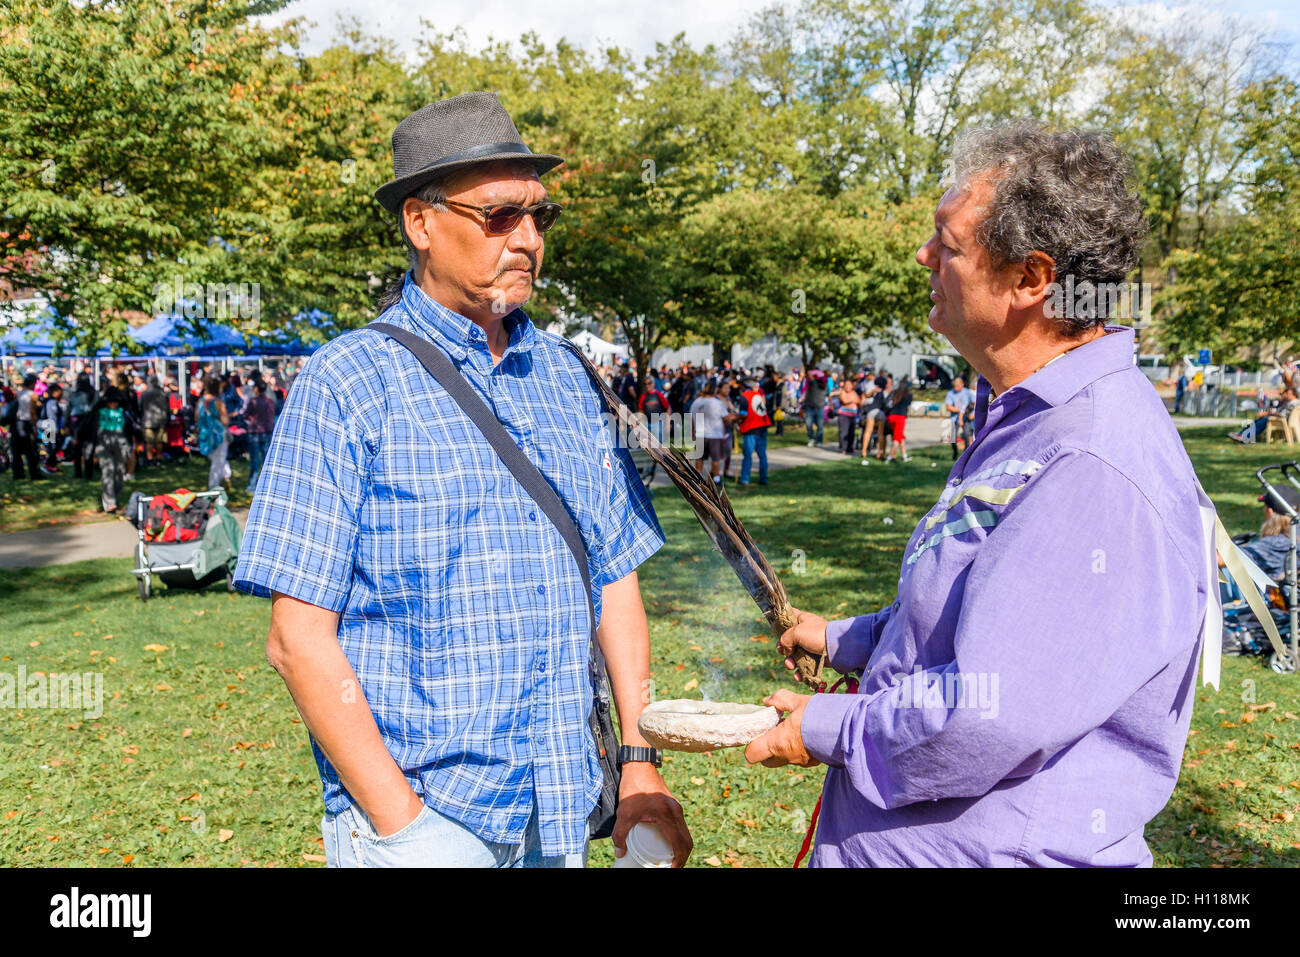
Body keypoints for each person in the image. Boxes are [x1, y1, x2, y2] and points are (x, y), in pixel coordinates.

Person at [233, 91, 690, 869]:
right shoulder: (347, 382)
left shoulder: (567, 377)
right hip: (426, 824)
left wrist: (638, 762)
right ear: (420, 221)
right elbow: (297, 639)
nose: (526, 239)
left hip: (562, 806)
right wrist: (404, 825)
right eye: (499, 215)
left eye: (539, 217)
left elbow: (614, 579)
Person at [745, 121, 1215, 867]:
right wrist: (847, 637)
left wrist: (825, 728)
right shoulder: (1031, 413)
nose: (924, 256)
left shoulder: (1089, 458)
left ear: (1031, 279)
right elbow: (982, 612)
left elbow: (986, 713)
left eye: (948, 243)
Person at [88, 387, 135, 512]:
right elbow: (91, 430)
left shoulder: (124, 413)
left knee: (119, 472)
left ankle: (115, 497)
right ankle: (110, 501)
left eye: (116, 401)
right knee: (108, 470)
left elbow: (130, 429)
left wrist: (130, 446)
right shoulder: (99, 413)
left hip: (120, 445)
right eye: (111, 401)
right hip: (103, 445)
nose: (113, 404)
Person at [689, 380, 733, 487]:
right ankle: (716, 479)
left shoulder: (696, 402)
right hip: (714, 434)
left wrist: (692, 432)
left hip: (700, 433)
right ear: (715, 391)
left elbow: (690, 418)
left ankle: (698, 478)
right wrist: (733, 418)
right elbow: (726, 418)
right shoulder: (717, 403)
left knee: (699, 458)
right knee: (715, 458)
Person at [243, 379, 277, 494]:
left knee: (255, 461)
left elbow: (246, 415)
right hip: (267, 432)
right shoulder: (270, 402)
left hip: (255, 432)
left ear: (257, 388)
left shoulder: (253, 401)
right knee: (266, 460)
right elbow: (272, 416)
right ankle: (267, 486)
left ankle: (252, 486)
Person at [737, 374, 771, 486]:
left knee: (748, 454)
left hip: (751, 428)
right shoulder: (757, 395)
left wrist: (734, 418)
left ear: (743, 386)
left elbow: (743, 415)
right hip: (762, 427)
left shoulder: (744, 397)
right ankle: (764, 478)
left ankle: (745, 478)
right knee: (762, 454)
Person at [197, 377, 230, 491]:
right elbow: (225, 421)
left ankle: (226, 475)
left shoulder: (201, 401)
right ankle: (214, 489)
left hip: (205, 434)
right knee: (217, 462)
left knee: (217, 459)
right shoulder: (218, 402)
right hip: (217, 436)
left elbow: (197, 418)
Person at [8, 373, 42, 481]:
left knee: (16, 451)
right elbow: (32, 412)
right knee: (30, 451)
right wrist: (35, 427)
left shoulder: (17, 393)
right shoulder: (33, 395)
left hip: (15, 424)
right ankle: (34, 474)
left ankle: (18, 474)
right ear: (32, 383)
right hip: (25, 424)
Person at [139, 376, 170, 466]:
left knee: (149, 441)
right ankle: (158, 458)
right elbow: (167, 408)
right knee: (159, 441)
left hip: (148, 420)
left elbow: (140, 406)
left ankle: (150, 459)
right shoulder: (163, 393)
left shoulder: (144, 394)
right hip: (161, 419)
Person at [943, 376, 976, 460]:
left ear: (962, 384)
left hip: (966, 418)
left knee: (966, 435)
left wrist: (970, 412)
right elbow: (948, 407)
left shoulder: (967, 392)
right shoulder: (951, 393)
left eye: (957, 386)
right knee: (953, 438)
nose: (956, 388)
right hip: (954, 419)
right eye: (954, 386)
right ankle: (955, 453)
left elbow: (975, 402)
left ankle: (965, 456)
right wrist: (960, 410)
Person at [884, 376, 912, 463]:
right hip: (900, 417)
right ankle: (889, 458)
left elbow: (888, 403)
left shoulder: (894, 392)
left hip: (891, 417)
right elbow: (908, 404)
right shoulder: (908, 395)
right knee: (896, 439)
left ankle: (904, 456)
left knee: (900, 437)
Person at [834, 376, 861, 455]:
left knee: (851, 433)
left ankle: (850, 448)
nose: (848, 386)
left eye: (849, 385)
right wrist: (852, 400)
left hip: (852, 415)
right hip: (844, 415)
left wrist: (852, 399)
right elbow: (845, 400)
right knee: (843, 432)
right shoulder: (842, 392)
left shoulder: (854, 393)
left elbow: (858, 401)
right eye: (846, 384)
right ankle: (843, 448)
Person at [802, 370, 827, 447]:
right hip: (810, 408)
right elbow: (810, 376)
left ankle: (819, 440)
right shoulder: (813, 384)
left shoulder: (824, 386)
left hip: (820, 408)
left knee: (820, 426)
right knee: (808, 424)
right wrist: (812, 373)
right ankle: (812, 438)